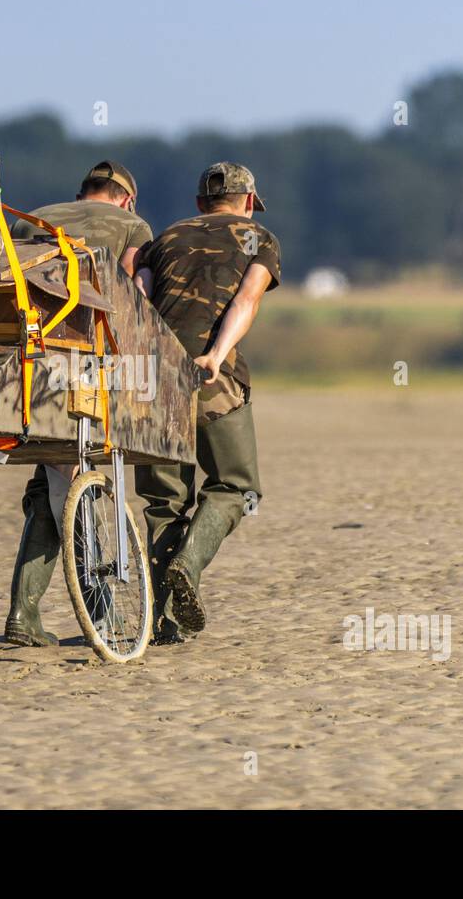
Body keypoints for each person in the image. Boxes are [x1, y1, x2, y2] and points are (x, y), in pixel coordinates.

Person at [4, 161, 154, 646]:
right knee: (72, 486)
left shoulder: (35, 216)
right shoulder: (132, 226)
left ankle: (24, 617)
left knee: (54, 484)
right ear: (126, 199)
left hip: (30, 363)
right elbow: (130, 295)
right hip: (84, 363)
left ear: (82, 193)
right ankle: (104, 617)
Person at [132, 162, 281, 644]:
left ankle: (160, 622)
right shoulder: (258, 238)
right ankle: (188, 566)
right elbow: (246, 301)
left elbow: (139, 304)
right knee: (237, 487)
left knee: (163, 501)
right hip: (212, 379)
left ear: (199, 203)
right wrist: (215, 355)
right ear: (250, 201)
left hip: (153, 380)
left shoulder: (165, 240)